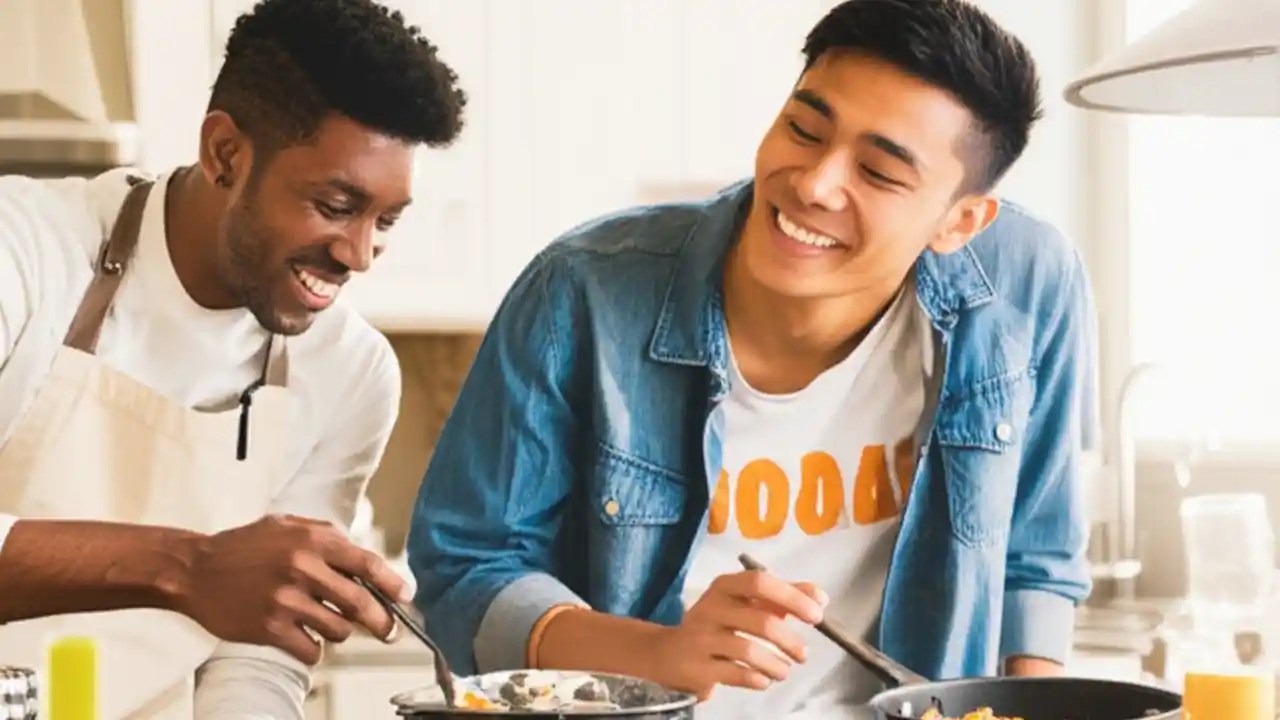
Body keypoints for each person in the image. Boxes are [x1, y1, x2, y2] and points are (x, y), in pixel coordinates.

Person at [409, 0, 1100, 716]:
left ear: (959, 221)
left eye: (879, 173)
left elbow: (1036, 556)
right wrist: (658, 655)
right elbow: (468, 567)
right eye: (804, 129)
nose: (814, 183)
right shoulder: (582, 291)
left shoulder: (1028, 283)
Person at [0, 0, 466, 717]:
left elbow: (258, 649)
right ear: (225, 154)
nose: (360, 254)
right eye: (337, 204)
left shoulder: (351, 374)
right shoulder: (24, 254)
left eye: (387, 220)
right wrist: (188, 568)